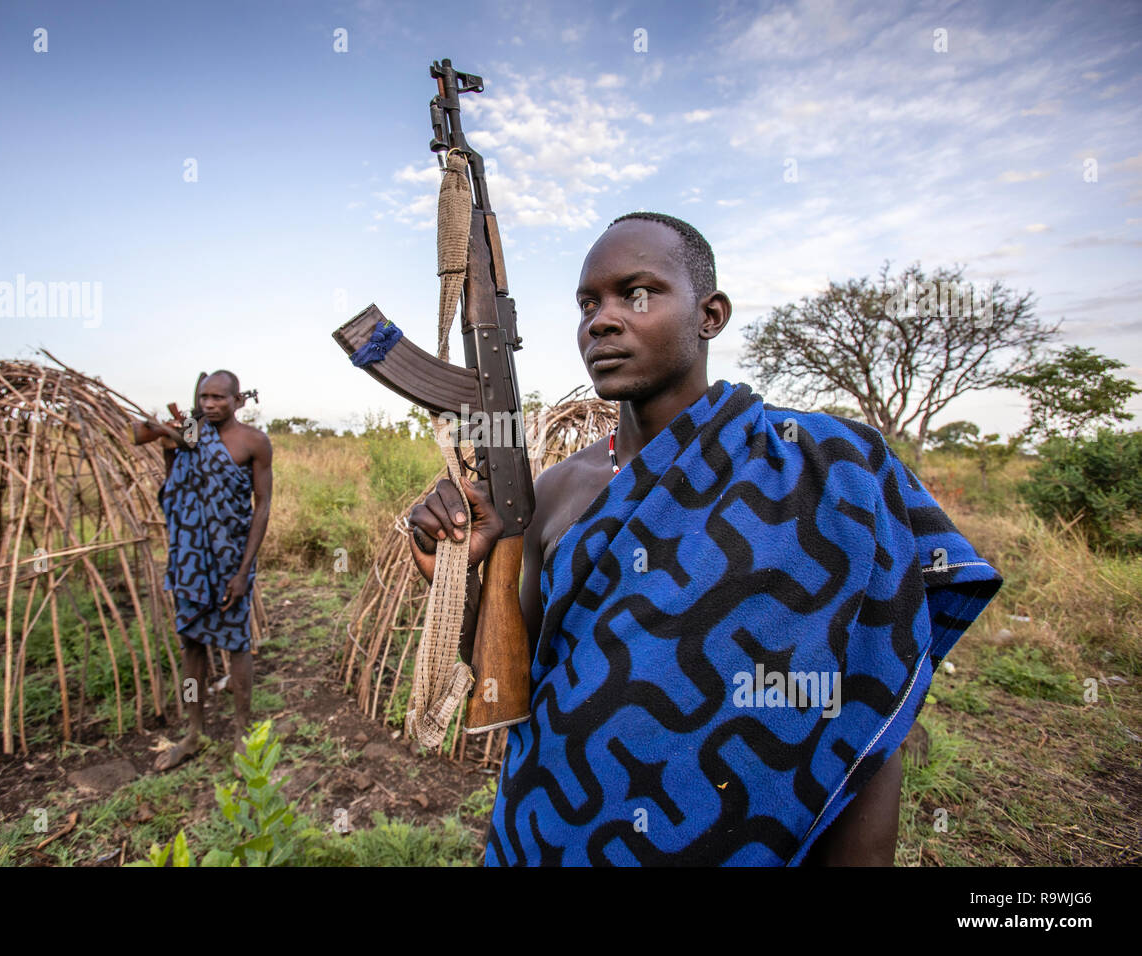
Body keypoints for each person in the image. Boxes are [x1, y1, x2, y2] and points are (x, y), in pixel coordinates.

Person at [407, 212, 1002, 866]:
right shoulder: (558, 489)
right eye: (588, 303)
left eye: (637, 294)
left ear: (710, 314)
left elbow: (869, 687)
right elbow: (511, 673)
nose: (602, 320)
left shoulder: (826, 470)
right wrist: (460, 578)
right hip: (549, 829)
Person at [137, 371, 272, 771]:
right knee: (192, 644)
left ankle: (242, 733)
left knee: (235, 644)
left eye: (219, 397)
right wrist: (168, 442)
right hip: (189, 559)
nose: (211, 404)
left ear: (236, 400)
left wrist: (243, 570)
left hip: (231, 558)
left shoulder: (253, 442)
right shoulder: (189, 436)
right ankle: (194, 732)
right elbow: (174, 489)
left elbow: (261, 505)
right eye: (204, 397)